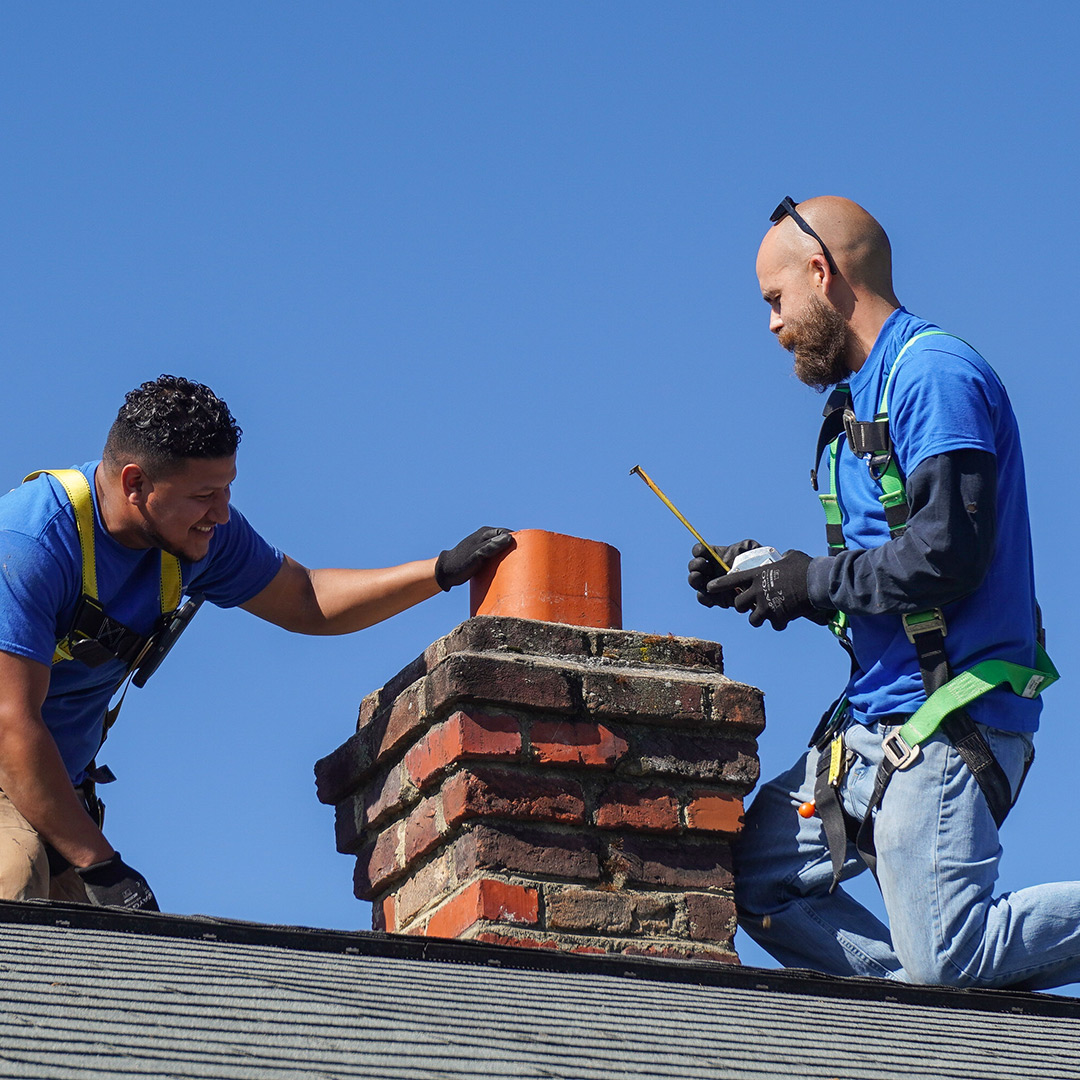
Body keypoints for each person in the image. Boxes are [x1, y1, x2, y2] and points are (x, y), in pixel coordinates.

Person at [687, 196, 1080, 990]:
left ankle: (941, 990)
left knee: (946, 962)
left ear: (821, 272)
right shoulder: (851, 406)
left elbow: (947, 554)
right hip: (870, 730)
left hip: (946, 722)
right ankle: (929, 1012)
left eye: (775, 299)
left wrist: (811, 580)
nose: (772, 324)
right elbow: (884, 575)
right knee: (754, 883)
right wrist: (771, 574)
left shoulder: (932, 374)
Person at [0, 375, 511, 911]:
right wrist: (102, 865)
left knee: (102, 954)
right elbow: (12, 725)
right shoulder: (28, 546)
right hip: (12, 761)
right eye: (204, 496)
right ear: (135, 484)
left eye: (227, 489)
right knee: (14, 879)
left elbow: (307, 598)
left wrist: (439, 571)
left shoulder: (197, 536)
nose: (222, 513)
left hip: (52, 789)